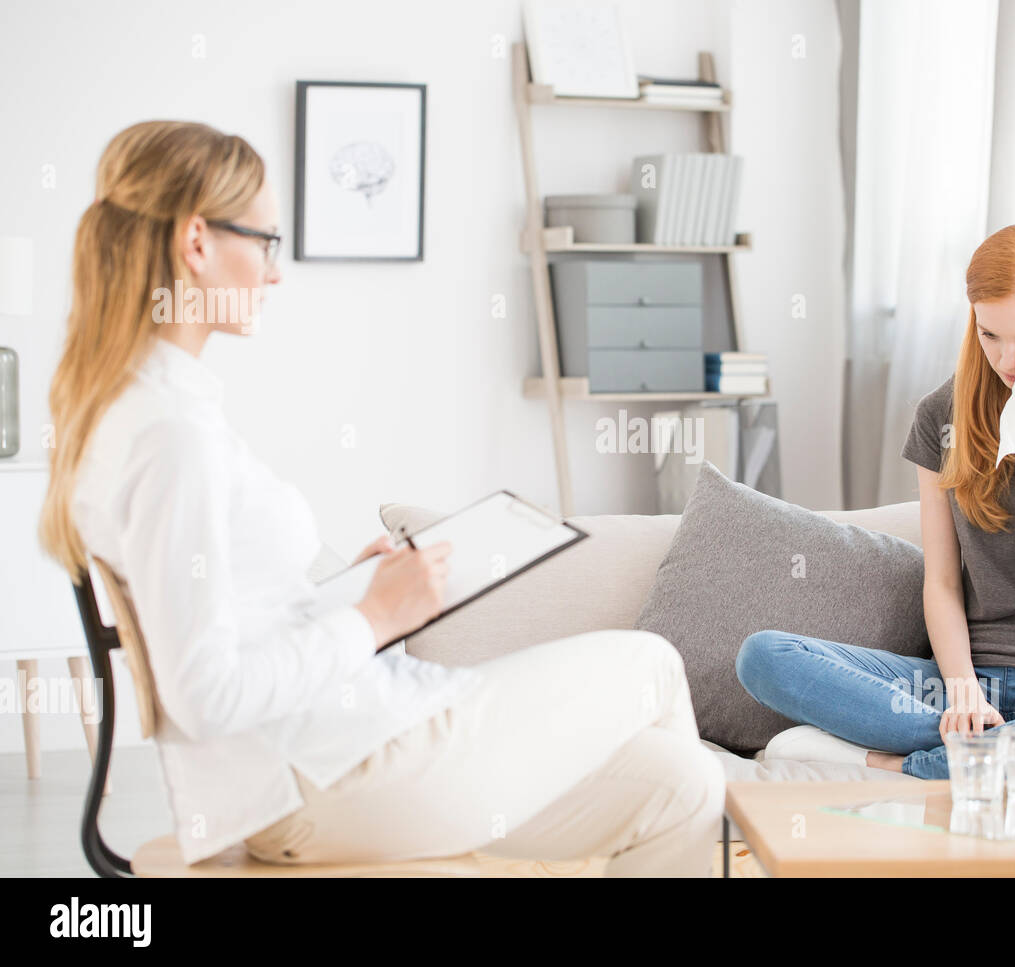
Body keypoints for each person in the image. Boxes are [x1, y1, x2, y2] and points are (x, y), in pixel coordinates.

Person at [39, 120, 723, 875]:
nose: (275, 273)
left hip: (342, 753)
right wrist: (372, 617)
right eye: (266, 241)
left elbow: (240, 620)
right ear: (196, 243)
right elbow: (203, 693)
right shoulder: (170, 436)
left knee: (684, 786)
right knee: (654, 659)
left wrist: (345, 596)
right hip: (335, 774)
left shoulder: (149, 411)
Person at [736, 224, 1015, 780]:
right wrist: (960, 691)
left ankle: (894, 765)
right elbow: (942, 582)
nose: (1007, 361)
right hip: (960, 683)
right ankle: (994, 753)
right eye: (989, 335)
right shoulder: (941, 414)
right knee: (765, 656)